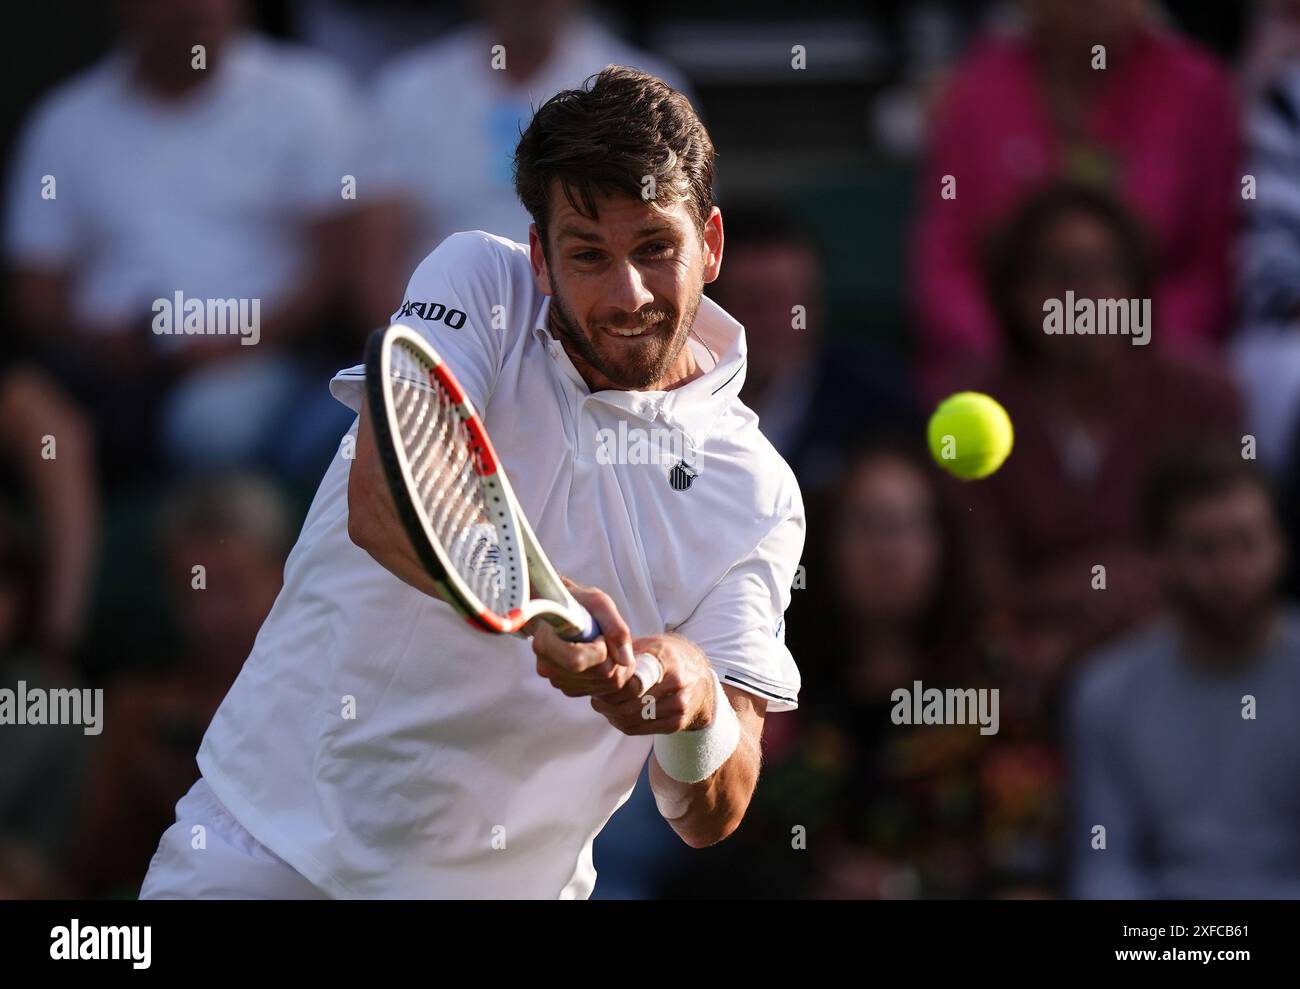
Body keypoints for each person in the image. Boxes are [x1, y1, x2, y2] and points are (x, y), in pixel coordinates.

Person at [139, 67, 805, 899]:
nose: (627, 292)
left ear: (709, 243)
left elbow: (716, 805)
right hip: (263, 845)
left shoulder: (759, 494)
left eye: (655, 248)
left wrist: (691, 695)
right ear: (539, 256)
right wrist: (547, 610)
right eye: (589, 255)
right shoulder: (479, 282)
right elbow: (385, 501)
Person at [5, 0, 365, 481]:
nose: (195, 9)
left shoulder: (308, 93)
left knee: (211, 426)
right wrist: (95, 338)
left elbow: (339, 261)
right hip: (109, 368)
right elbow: (36, 289)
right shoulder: (67, 120)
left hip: (267, 355)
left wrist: (241, 339)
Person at [962, 184, 1243, 677]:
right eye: (1058, 273)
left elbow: (1231, 557)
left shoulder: (1204, 397)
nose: (1083, 294)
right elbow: (974, 589)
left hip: (1189, 661)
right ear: (1015, 294)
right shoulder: (974, 414)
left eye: (1105, 270)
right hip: (1025, 678)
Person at [911, 0, 1240, 400]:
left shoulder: (1198, 90)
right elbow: (945, 267)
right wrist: (1023, 345)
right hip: (1005, 371)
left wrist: (1128, 347)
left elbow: (1211, 268)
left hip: (1154, 370)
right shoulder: (975, 93)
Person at [358, 0, 691, 323]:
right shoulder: (406, 88)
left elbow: (673, 248)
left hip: (596, 333)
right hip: (438, 336)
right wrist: (419, 351)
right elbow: (377, 273)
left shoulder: (650, 88)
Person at [1069, 446, 1300, 899]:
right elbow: (1105, 859)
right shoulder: (1105, 691)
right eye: (1205, 550)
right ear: (1161, 558)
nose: (1232, 572)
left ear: (1279, 547)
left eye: (1248, 543)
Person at [70, 474, 292, 898]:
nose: (211, 616)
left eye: (232, 587)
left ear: (283, 571)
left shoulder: (327, 698)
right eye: (193, 590)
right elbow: (90, 872)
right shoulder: (138, 713)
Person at [707, 206, 920, 493]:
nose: (773, 323)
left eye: (791, 304)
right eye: (753, 304)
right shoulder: (674, 408)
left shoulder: (877, 403)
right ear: (714, 310)